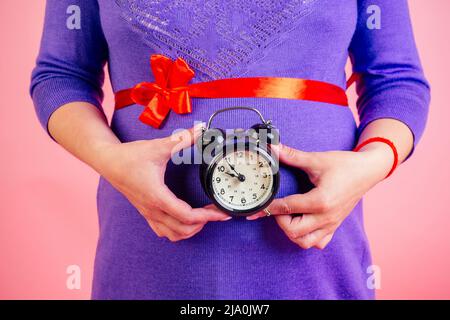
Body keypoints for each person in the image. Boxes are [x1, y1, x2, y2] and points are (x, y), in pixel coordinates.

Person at [30, 0, 430, 299]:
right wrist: (112, 160)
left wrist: (370, 163)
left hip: (315, 257)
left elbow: (397, 81)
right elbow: (60, 76)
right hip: (149, 248)